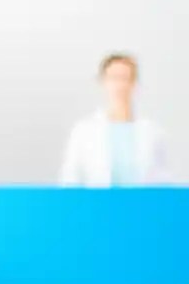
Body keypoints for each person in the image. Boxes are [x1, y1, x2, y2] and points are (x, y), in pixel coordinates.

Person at [59, 53, 171, 186]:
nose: (120, 85)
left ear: (134, 83)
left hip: (141, 199)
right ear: (102, 81)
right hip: (98, 199)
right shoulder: (84, 131)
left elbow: (163, 180)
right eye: (113, 78)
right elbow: (70, 179)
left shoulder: (152, 132)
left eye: (126, 78)